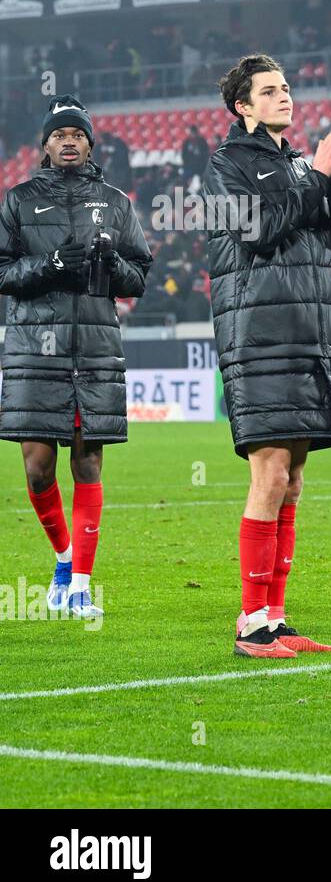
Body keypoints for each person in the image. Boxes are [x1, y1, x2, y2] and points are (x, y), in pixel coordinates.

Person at [201, 54, 331, 658]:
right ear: (242, 106)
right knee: (269, 473)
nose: (284, 98)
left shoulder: (300, 165)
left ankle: (276, 616)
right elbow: (259, 230)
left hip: (306, 329)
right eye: (269, 91)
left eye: (286, 88)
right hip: (256, 333)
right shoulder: (224, 166)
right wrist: (318, 177)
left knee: (293, 482)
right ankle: (250, 623)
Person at [0, 95, 153, 619]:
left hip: (92, 347)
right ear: (44, 145)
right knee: (39, 469)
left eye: (78, 134)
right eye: (59, 134)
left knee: (87, 459)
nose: (69, 141)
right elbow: (2, 273)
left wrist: (110, 264)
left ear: (90, 143)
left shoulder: (115, 202)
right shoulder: (18, 200)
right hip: (33, 347)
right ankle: (64, 561)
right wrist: (53, 262)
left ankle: (82, 585)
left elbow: (138, 279)